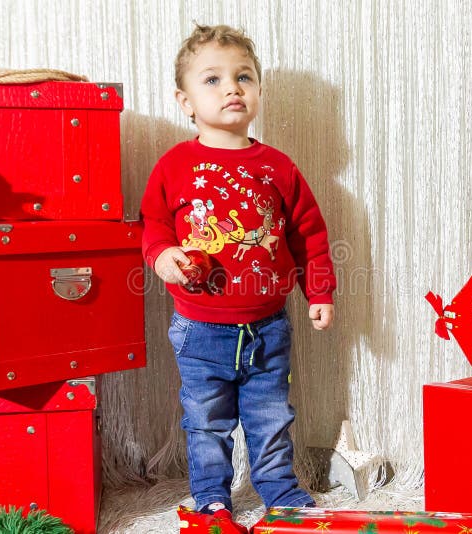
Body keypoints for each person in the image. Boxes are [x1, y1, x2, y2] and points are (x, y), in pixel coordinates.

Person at [140, 23, 336, 527]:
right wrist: (163, 256)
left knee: (271, 417)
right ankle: (211, 499)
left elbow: (309, 235)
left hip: (268, 326)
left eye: (243, 77)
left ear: (258, 92)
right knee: (207, 421)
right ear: (185, 101)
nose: (232, 87)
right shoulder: (174, 165)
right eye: (213, 79)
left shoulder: (278, 168)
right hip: (200, 329)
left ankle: (280, 492)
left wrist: (319, 290)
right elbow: (154, 225)